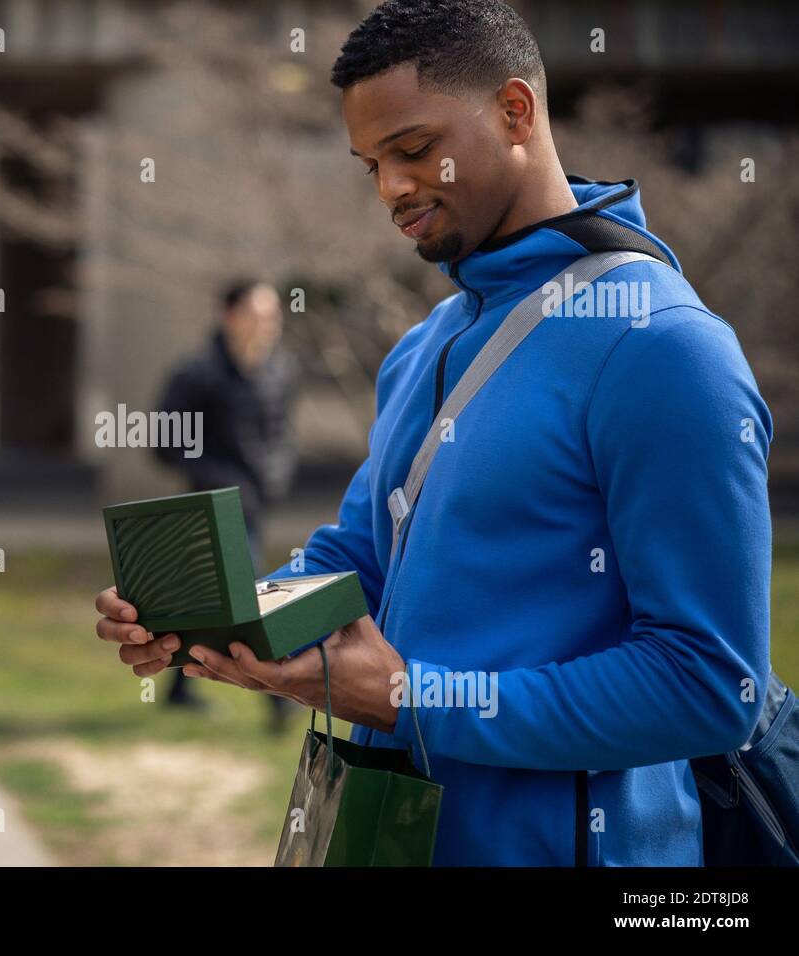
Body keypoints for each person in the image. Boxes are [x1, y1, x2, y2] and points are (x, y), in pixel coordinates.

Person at [95, 0, 772, 865]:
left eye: (413, 150)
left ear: (516, 112)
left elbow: (711, 686)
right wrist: (224, 620)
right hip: (386, 836)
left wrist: (418, 699)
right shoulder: (425, 347)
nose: (391, 188)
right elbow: (362, 558)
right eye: (370, 163)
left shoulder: (665, 351)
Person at [152, 280, 298, 727]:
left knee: (203, 600)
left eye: (274, 316)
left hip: (255, 505)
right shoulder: (196, 373)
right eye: (258, 314)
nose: (268, 325)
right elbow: (164, 443)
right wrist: (221, 479)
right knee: (246, 599)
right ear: (230, 315)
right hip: (208, 510)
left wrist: (274, 476)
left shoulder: (283, 370)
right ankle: (277, 698)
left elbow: (281, 436)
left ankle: (179, 689)